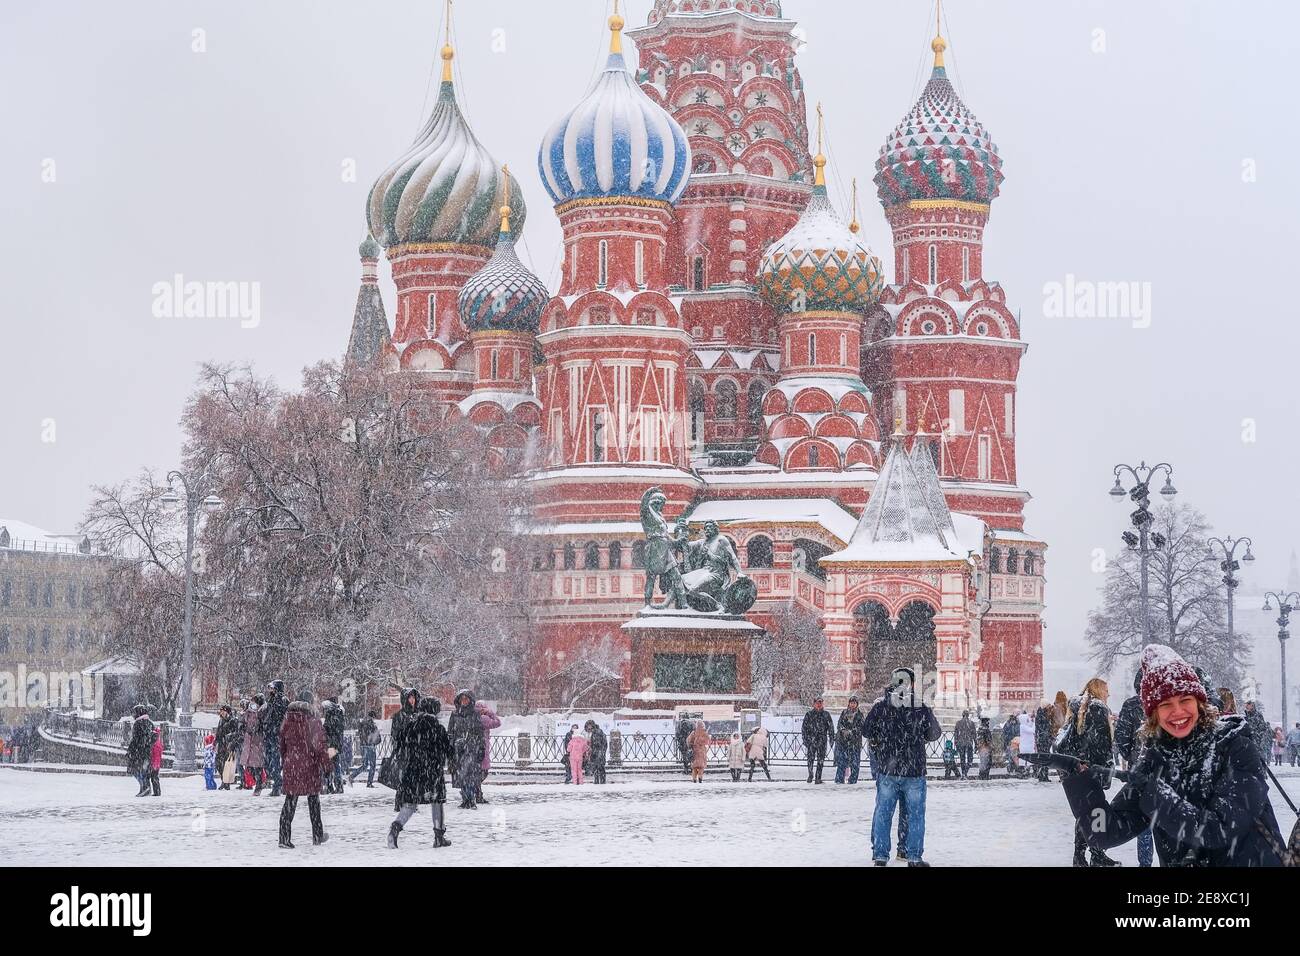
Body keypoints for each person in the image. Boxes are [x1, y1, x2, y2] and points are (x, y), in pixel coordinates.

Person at [1062, 644, 1287, 867]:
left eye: (1185, 700)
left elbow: (1218, 829)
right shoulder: (1154, 761)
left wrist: (1156, 795)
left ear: (1199, 704)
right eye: (1166, 704)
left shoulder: (1234, 747)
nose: (1177, 711)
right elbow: (1105, 833)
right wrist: (1080, 783)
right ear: (1153, 714)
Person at [864, 668, 942, 866]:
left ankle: (881, 855)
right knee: (915, 816)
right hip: (914, 770)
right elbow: (934, 734)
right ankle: (913, 856)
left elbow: (866, 730)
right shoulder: (920, 707)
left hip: (888, 769)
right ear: (912, 684)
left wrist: (882, 737)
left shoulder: (881, 707)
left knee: (883, 813)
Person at [1054, 678, 1120, 867]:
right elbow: (1099, 743)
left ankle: (1083, 855)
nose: (1109, 694)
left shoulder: (1076, 707)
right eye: (1106, 689)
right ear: (1099, 690)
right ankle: (1095, 854)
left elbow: (1069, 738)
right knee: (1095, 811)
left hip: (1074, 769)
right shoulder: (1098, 708)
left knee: (1085, 813)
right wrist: (1103, 768)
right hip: (1089, 769)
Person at [388, 697, 454, 849]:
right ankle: (439, 837)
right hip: (433, 773)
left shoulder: (411, 726)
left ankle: (395, 829)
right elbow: (449, 751)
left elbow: (399, 743)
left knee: (410, 804)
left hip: (413, 772)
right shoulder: (438, 728)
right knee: (437, 802)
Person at [277, 691, 331, 849]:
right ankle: (317, 835)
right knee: (314, 801)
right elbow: (320, 747)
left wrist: (287, 760)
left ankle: (284, 838)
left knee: (290, 802)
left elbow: (282, 746)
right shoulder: (313, 721)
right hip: (309, 767)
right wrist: (327, 766)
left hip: (291, 766)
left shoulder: (287, 720)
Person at [1114, 666, 1154, 867]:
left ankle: (1145, 863)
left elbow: (1121, 738)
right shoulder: (1163, 703)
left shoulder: (1131, 705)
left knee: (1145, 818)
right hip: (1163, 770)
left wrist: (1131, 755)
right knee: (1166, 817)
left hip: (1139, 768)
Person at [448, 689, 486, 808]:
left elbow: (480, 732)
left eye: (466, 699)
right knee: (461, 775)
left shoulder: (475, 714)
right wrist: (450, 748)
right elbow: (451, 732)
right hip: (458, 750)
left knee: (470, 775)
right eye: (462, 699)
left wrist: (481, 748)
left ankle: (470, 798)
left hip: (472, 749)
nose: (464, 701)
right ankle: (465, 798)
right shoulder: (454, 714)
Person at [389, 688, 421, 810]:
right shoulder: (399, 716)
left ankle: (412, 802)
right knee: (403, 779)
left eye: (413, 697)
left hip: (416, 753)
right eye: (410, 697)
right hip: (404, 752)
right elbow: (395, 734)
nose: (412, 700)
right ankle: (400, 802)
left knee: (415, 779)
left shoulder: (418, 714)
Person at [262, 679, 289, 797]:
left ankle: (278, 785)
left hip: (277, 734)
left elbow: (280, 717)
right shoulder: (272, 700)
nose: (270, 690)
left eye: (272, 688)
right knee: (271, 761)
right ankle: (279, 784)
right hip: (271, 734)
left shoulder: (281, 700)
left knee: (276, 761)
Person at [802, 697, 835, 784]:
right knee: (810, 759)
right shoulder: (809, 714)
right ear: (814, 704)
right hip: (811, 740)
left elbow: (831, 728)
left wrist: (831, 738)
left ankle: (818, 777)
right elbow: (804, 728)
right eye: (817, 703)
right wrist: (805, 739)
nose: (819, 704)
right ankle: (810, 774)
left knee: (821, 760)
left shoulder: (826, 714)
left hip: (822, 739)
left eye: (820, 702)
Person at [834, 696, 867, 784]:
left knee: (855, 763)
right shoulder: (844, 713)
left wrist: (852, 732)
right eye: (851, 703)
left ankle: (853, 780)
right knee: (842, 762)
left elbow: (861, 727)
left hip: (855, 742)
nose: (852, 704)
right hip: (843, 741)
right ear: (849, 703)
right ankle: (839, 780)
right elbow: (839, 724)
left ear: (857, 704)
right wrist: (843, 730)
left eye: (854, 703)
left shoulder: (860, 714)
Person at [476, 700, 502, 801]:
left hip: (474, 747)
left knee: (477, 772)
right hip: (483, 746)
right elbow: (498, 722)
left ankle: (477, 793)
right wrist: (490, 712)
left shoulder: (473, 717)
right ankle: (477, 794)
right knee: (484, 771)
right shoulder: (484, 718)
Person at [241, 696, 266, 795]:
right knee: (250, 766)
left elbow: (260, 725)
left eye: (254, 702)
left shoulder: (262, 712)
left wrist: (255, 728)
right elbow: (245, 723)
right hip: (249, 742)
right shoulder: (249, 712)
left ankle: (259, 785)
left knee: (257, 766)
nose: (252, 704)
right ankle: (259, 783)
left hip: (257, 742)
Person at [126, 704, 153, 797]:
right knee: (144, 770)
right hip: (147, 751)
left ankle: (144, 787)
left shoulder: (138, 723)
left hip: (138, 751)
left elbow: (135, 739)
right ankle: (145, 788)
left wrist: (130, 750)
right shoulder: (149, 723)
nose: (133, 715)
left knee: (135, 770)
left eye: (134, 713)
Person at [321, 697, 346, 794]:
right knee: (336, 765)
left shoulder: (330, 714)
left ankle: (329, 786)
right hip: (337, 743)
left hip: (331, 744)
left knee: (329, 765)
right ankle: (338, 786)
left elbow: (328, 729)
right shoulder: (339, 713)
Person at [350, 710, 380, 787]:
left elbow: (360, 734)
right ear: (373, 717)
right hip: (370, 746)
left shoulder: (362, 723)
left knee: (364, 765)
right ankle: (369, 783)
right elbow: (376, 737)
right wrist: (375, 741)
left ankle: (351, 776)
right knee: (372, 765)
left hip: (363, 746)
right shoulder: (372, 724)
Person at [214, 705, 239, 791]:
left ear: (227, 711)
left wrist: (230, 739)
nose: (220, 712)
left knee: (226, 764)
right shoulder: (221, 720)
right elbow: (218, 732)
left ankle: (226, 783)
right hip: (221, 744)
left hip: (228, 745)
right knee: (218, 763)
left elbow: (236, 732)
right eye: (220, 711)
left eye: (222, 711)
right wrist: (215, 742)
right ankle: (223, 781)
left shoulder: (232, 720)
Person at [1033, 699, 1055, 781]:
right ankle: (1043, 776)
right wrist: (1048, 735)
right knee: (1044, 757)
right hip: (1043, 740)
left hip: (1042, 739)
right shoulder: (1042, 715)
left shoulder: (1041, 714)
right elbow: (1043, 728)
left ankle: (1042, 775)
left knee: (1043, 757)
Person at [953, 710, 976, 778]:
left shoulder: (958, 723)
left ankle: (963, 773)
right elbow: (974, 735)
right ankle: (965, 772)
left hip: (961, 743)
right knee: (970, 760)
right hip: (969, 743)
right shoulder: (971, 723)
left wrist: (956, 742)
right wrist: (976, 743)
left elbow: (956, 734)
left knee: (962, 759)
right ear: (968, 715)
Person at [585, 719, 608, 785]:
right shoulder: (598, 732)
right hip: (600, 753)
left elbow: (597, 744)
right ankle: (601, 781)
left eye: (589, 727)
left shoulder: (596, 733)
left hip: (598, 754)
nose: (588, 729)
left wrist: (595, 752)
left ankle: (598, 781)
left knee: (598, 768)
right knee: (600, 768)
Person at [147, 725, 163, 796]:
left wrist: (154, 765)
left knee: (154, 778)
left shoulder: (156, 745)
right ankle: (157, 791)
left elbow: (156, 756)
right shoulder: (157, 743)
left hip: (155, 764)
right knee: (154, 778)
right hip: (155, 764)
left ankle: (157, 792)